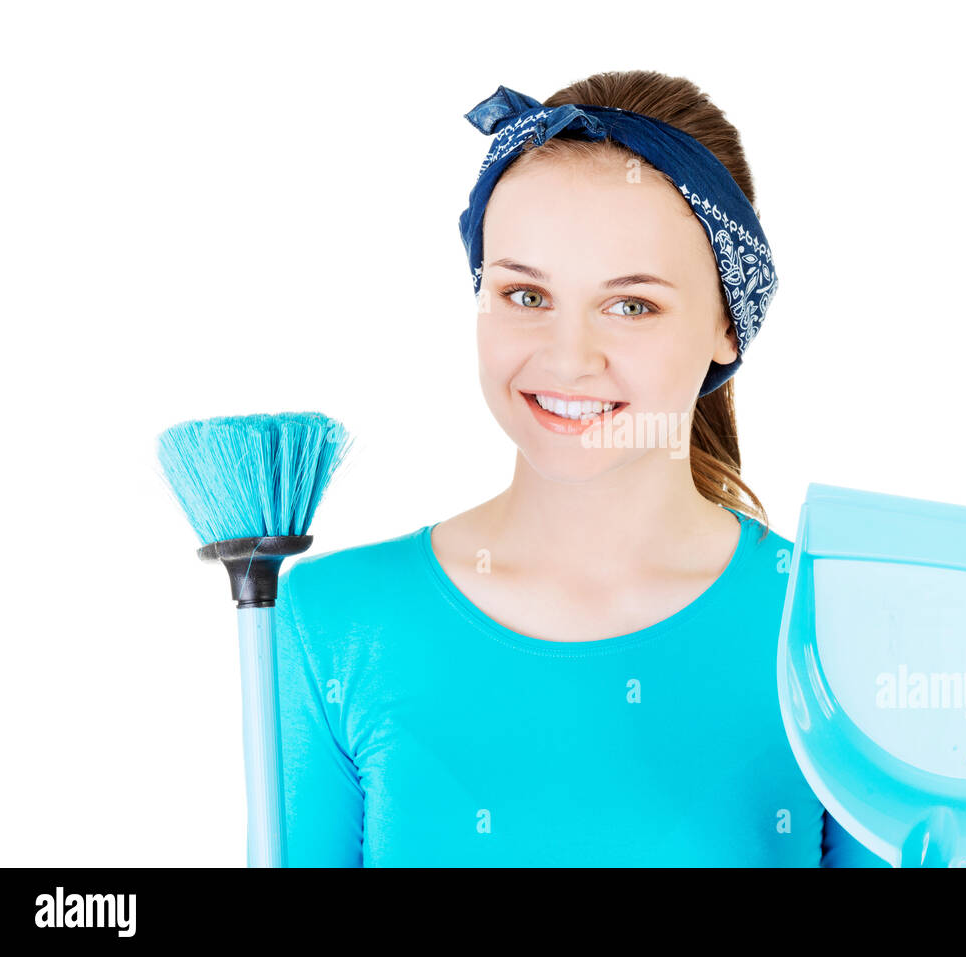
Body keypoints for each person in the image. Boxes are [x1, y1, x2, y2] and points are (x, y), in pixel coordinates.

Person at [274, 69, 887, 866]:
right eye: (526, 295)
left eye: (632, 305)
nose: (568, 358)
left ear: (726, 326)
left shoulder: (839, 633)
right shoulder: (330, 623)